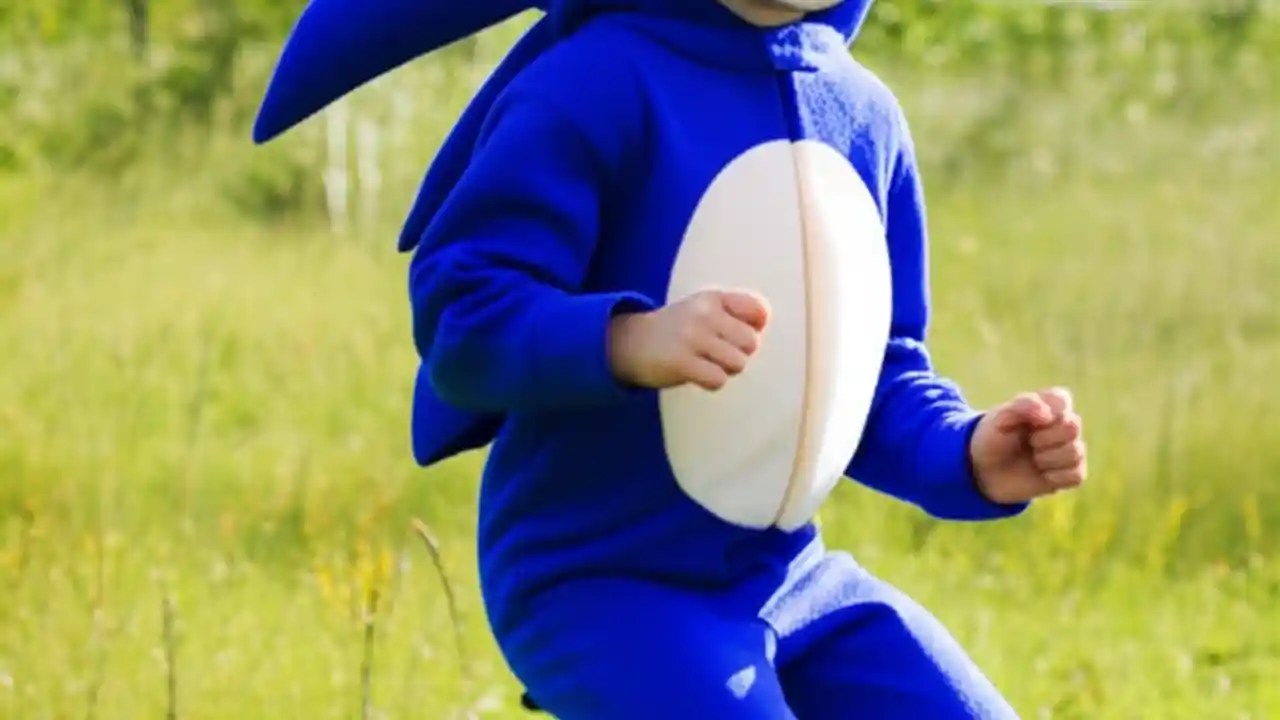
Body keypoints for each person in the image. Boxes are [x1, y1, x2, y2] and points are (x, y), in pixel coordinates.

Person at [255, 0, 1089, 717]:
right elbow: (462, 317)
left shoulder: (864, 117)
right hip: (593, 577)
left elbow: (873, 373)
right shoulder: (594, 85)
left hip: (788, 578)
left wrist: (965, 453)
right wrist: (624, 340)